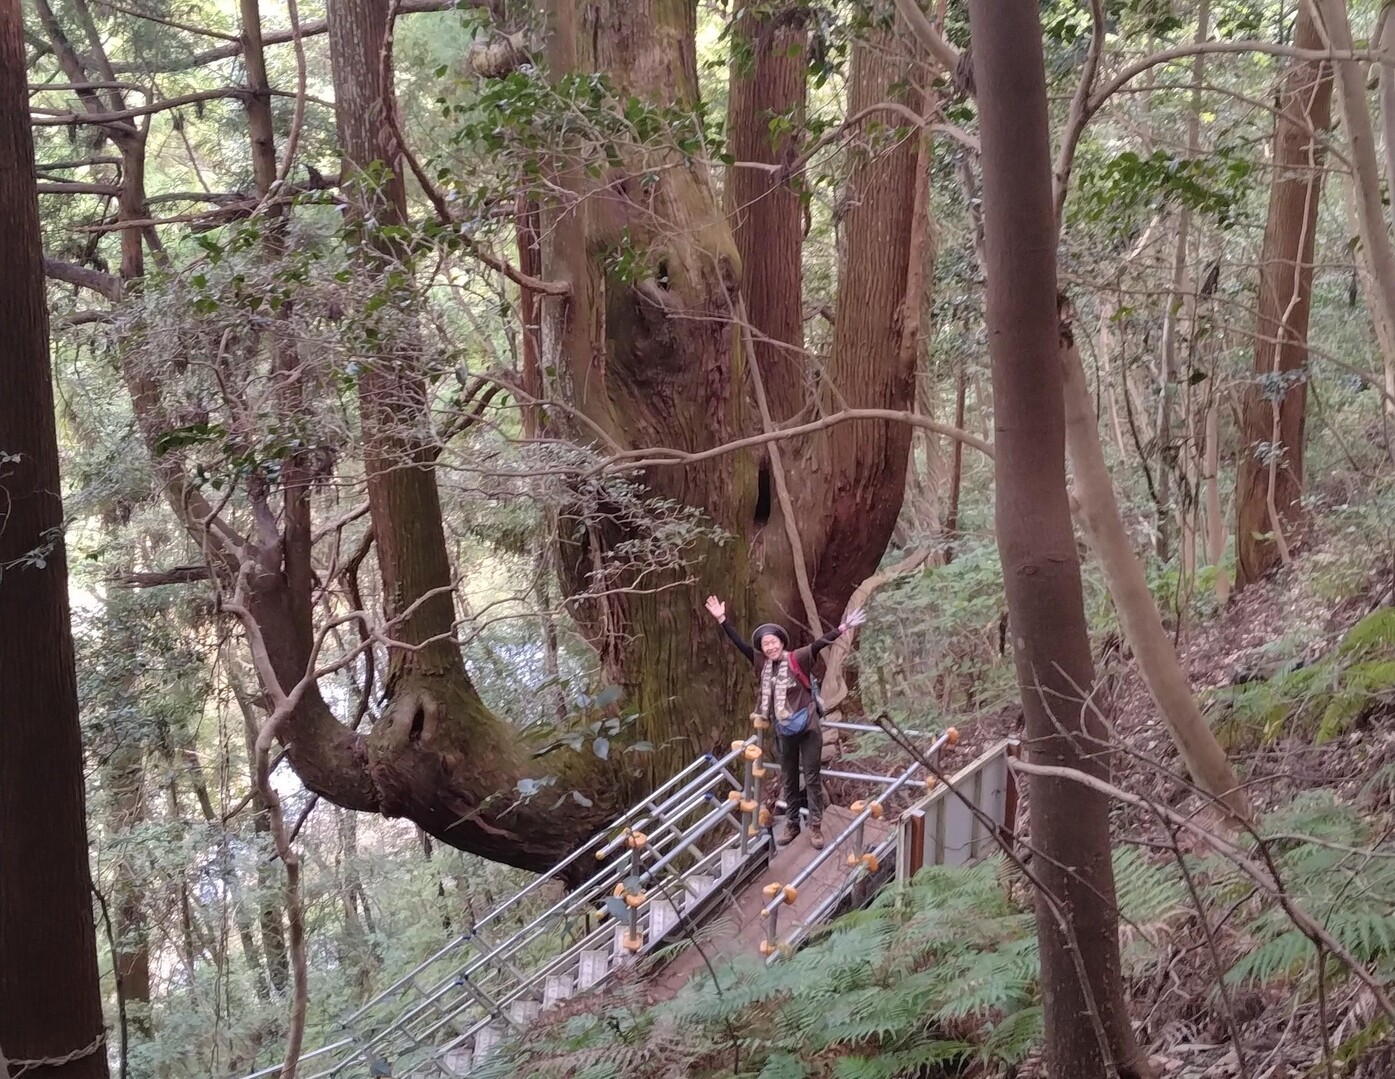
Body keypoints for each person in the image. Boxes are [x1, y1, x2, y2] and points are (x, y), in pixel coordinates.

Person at [704, 596, 867, 849]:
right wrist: (722, 620)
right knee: (789, 778)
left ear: (781, 642)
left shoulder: (797, 658)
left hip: (808, 726)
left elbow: (819, 644)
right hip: (783, 730)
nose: (769, 647)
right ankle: (792, 824)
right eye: (765, 644)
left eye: (773, 642)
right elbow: (740, 645)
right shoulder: (761, 664)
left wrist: (843, 628)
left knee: (811, 777)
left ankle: (815, 827)